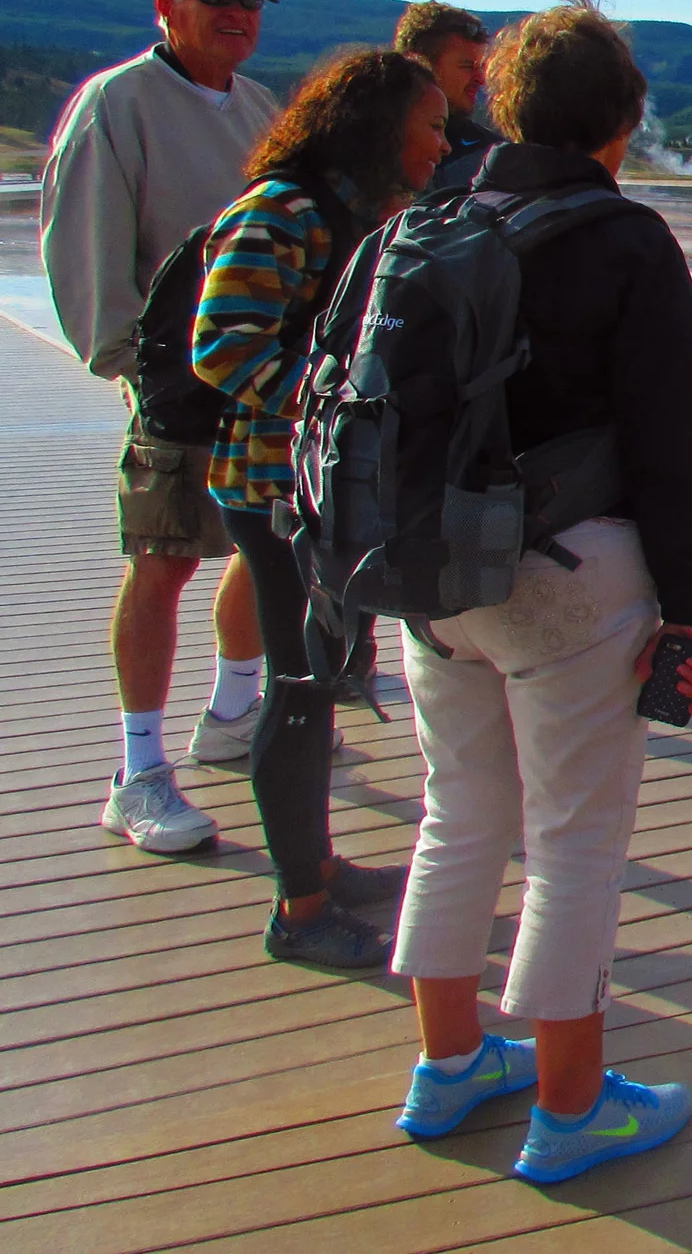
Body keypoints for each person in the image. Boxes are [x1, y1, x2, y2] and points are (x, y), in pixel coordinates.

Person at [389, 0, 692, 1183]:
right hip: (569, 578)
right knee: (575, 840)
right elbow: (677, 445)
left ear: (503, 103)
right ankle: (572, 1108)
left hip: (429, 570)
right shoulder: (625, 240)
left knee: (458, 812)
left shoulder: (430, 217)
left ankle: (448, 1063)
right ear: (624, 118)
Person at [192, 49, 448, 968]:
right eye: (431, 125)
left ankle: (319, 866)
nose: (443, 143)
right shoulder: (282, 211)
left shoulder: (357, 215)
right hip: (275, 492)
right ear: (379, 127)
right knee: (298, 689)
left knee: (320, 678)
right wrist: (342, 401)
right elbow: (221, 347)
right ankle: (298, 910)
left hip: (323, 491)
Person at [40, 0, 280, 855]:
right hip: (173, 376)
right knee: (163, 559)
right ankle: (136, 773)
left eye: (250, 2)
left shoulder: (258, 106)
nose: (239, 16)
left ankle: (231, 714)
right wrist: (127, 362)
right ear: (167, 8)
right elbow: (84, 234)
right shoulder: (117, 102)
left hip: (258, 373)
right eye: (218, 2)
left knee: (263, 542)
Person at [394, 1, 500, 189]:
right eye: (467, 66)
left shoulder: (491, 154)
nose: (480, 79)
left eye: (482, 68)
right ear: (422, 66)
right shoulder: (371, 148)